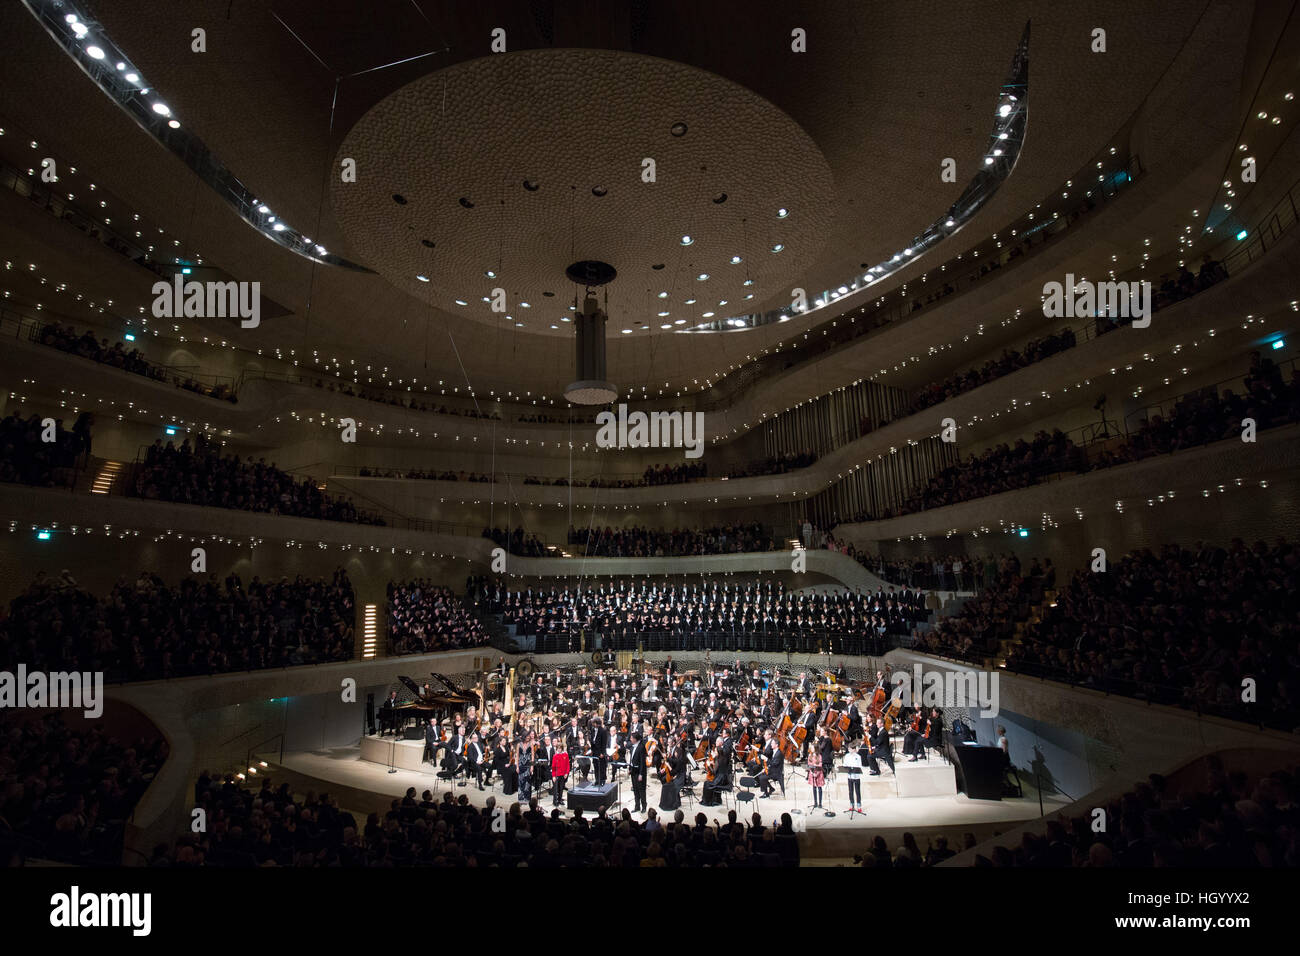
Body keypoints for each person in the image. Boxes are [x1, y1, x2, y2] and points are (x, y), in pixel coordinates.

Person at [629, 733, 648, 813]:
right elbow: (631, 759)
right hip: (633, 771)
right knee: (635, 790)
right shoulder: (632, 748)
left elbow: (643, 763)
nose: (630, 739)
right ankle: (637, 806)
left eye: (631, 738)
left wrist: (641, 774)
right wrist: (630, 769)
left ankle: (644, 806)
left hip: (640, 772)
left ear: (635, 739)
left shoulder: (641, 747)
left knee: (641, 790)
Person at [842, 744, 863, 812]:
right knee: (850, 791)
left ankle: (859, 806)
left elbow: (859, 766)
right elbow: (844, 764)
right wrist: (847, 767)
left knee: (857, 791)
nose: (849, 750)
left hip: (856, 776)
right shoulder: (847, 756)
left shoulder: (858, 756)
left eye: (850, 749)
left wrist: (854, 769)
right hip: (849, 776)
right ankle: (851, 804)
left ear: (854, 749)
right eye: (848, 749)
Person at [550, 738, 570, 808]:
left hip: (563, 774)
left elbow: (567, 765)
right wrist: (553, 776)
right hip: (556, 775)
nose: (559, 749)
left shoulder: (565, 755)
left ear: (562, 748)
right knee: (556, 789)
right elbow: (553, 767)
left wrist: (566, 773)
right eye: (557, 748)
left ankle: (560, 799)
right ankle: (555, 801)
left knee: (561, 788)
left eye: (560, 748)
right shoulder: (555, 756)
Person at [807, 742, 825, 809]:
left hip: (818, 773)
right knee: (814, 788)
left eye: (812, 747)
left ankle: (820, 803)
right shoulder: (810, 755)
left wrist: (816, 773)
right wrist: (811, 772)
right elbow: (809, 764)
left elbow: (820, 765)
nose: (811, 748)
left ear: (815, 748)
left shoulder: (819, 756)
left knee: (819, 788)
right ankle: (815, 803)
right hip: (812, 773)